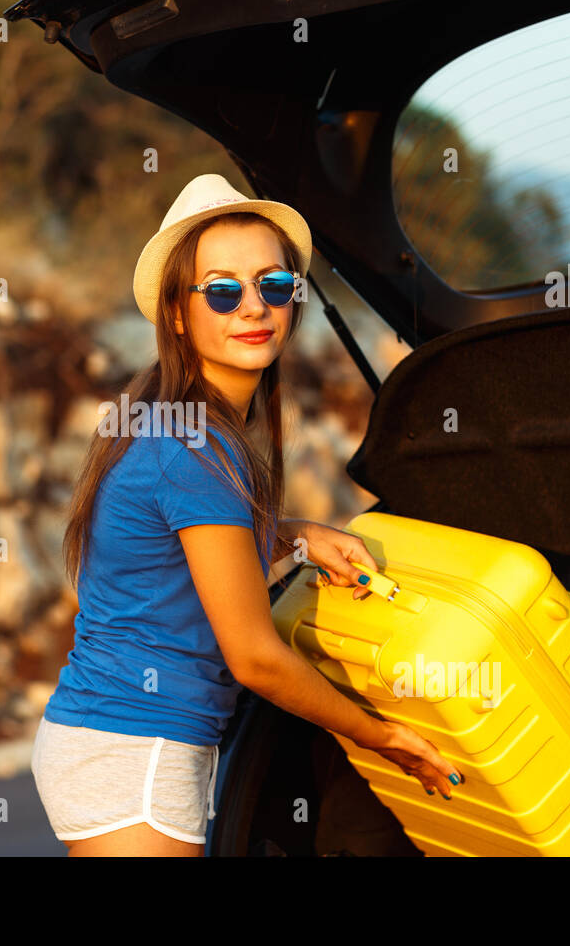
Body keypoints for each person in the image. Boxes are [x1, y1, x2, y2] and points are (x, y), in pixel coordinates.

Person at [31, 173, 461, 857]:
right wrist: (383, 736)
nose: (253, 307)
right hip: (137, 752)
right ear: (177, 310)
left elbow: (191, 553)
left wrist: (297, 537)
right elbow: (256, 659)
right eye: (223, 290)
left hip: (119, 739)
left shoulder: (179, 424)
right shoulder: (195, 451)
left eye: (275, 285)